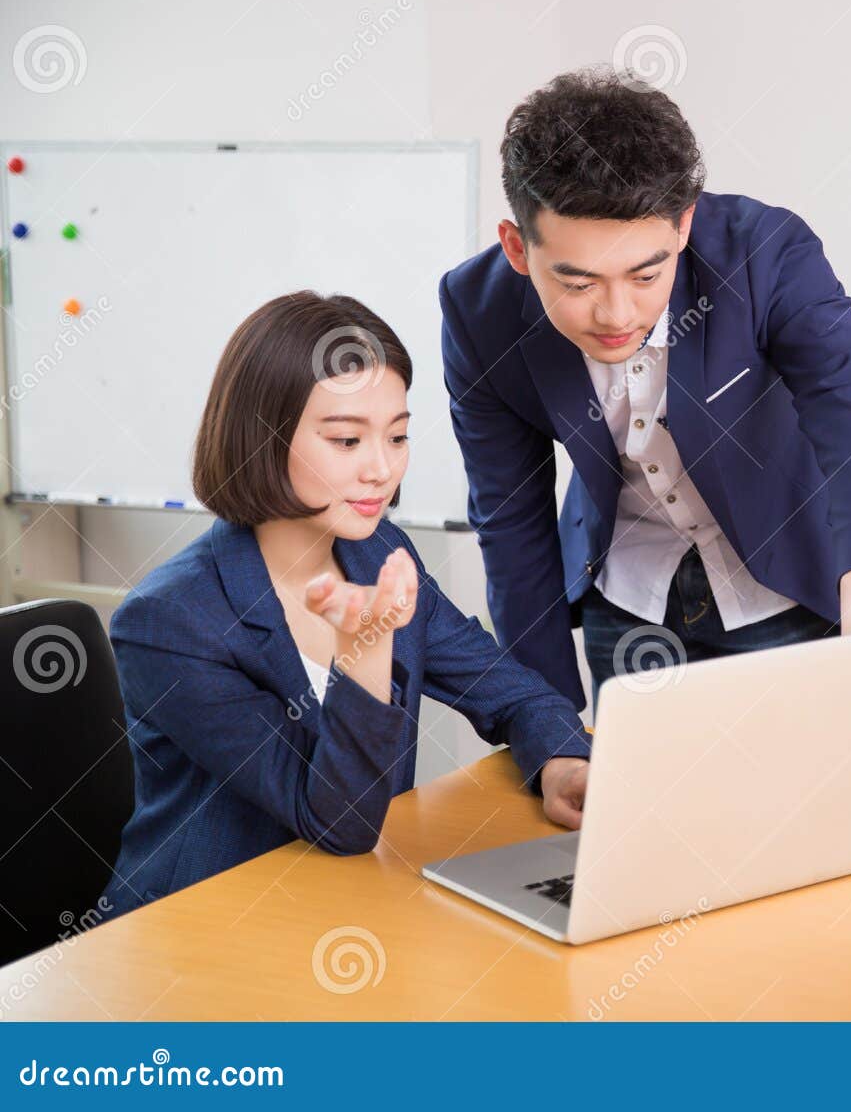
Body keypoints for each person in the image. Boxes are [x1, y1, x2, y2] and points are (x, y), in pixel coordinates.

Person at [441, 66, 851, 713]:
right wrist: (545, 725)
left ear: (683, 226)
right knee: (631, 811)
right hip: (627, 601)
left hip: (790, 591)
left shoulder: (763, 252)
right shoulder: (480, 311)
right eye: (579, 284)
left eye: (645, 275)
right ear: (517, 247)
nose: (616, 314)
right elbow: (510, 519)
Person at [101, 292, 589, 915]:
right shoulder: (170, 622)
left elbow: (512, 693)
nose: (381, 471)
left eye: (398, 436)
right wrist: (364, 654)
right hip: (203, 925)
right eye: (346, 440)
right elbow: (340, 823)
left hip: (343, 905)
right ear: (262, 438)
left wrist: (561, 762)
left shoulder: (378, 553)